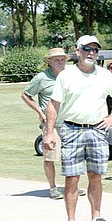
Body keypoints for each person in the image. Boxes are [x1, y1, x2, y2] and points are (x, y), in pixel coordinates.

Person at [43, 35, 112, 221]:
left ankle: (96, 219)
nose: (91, 53)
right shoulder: (66, 75)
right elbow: (53, 104)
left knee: (95, 175)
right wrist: (49, 132)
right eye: (87, 49)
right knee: (71, 178)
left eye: (95, 50)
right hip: (72, 129)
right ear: (78, 51)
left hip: (97, 130)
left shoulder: (104, 75)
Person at [22, 47, 84, 200]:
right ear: (49, 62)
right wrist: (40, 112)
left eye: (62, 59)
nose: (60, 62)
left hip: (71, 122)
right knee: (50, 156)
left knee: (72, 156)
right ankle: (53, 187)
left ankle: (72, 187)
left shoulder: (70, 75)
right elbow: (26, 95)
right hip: (51, 124)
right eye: (56, 59)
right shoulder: (41, 78)